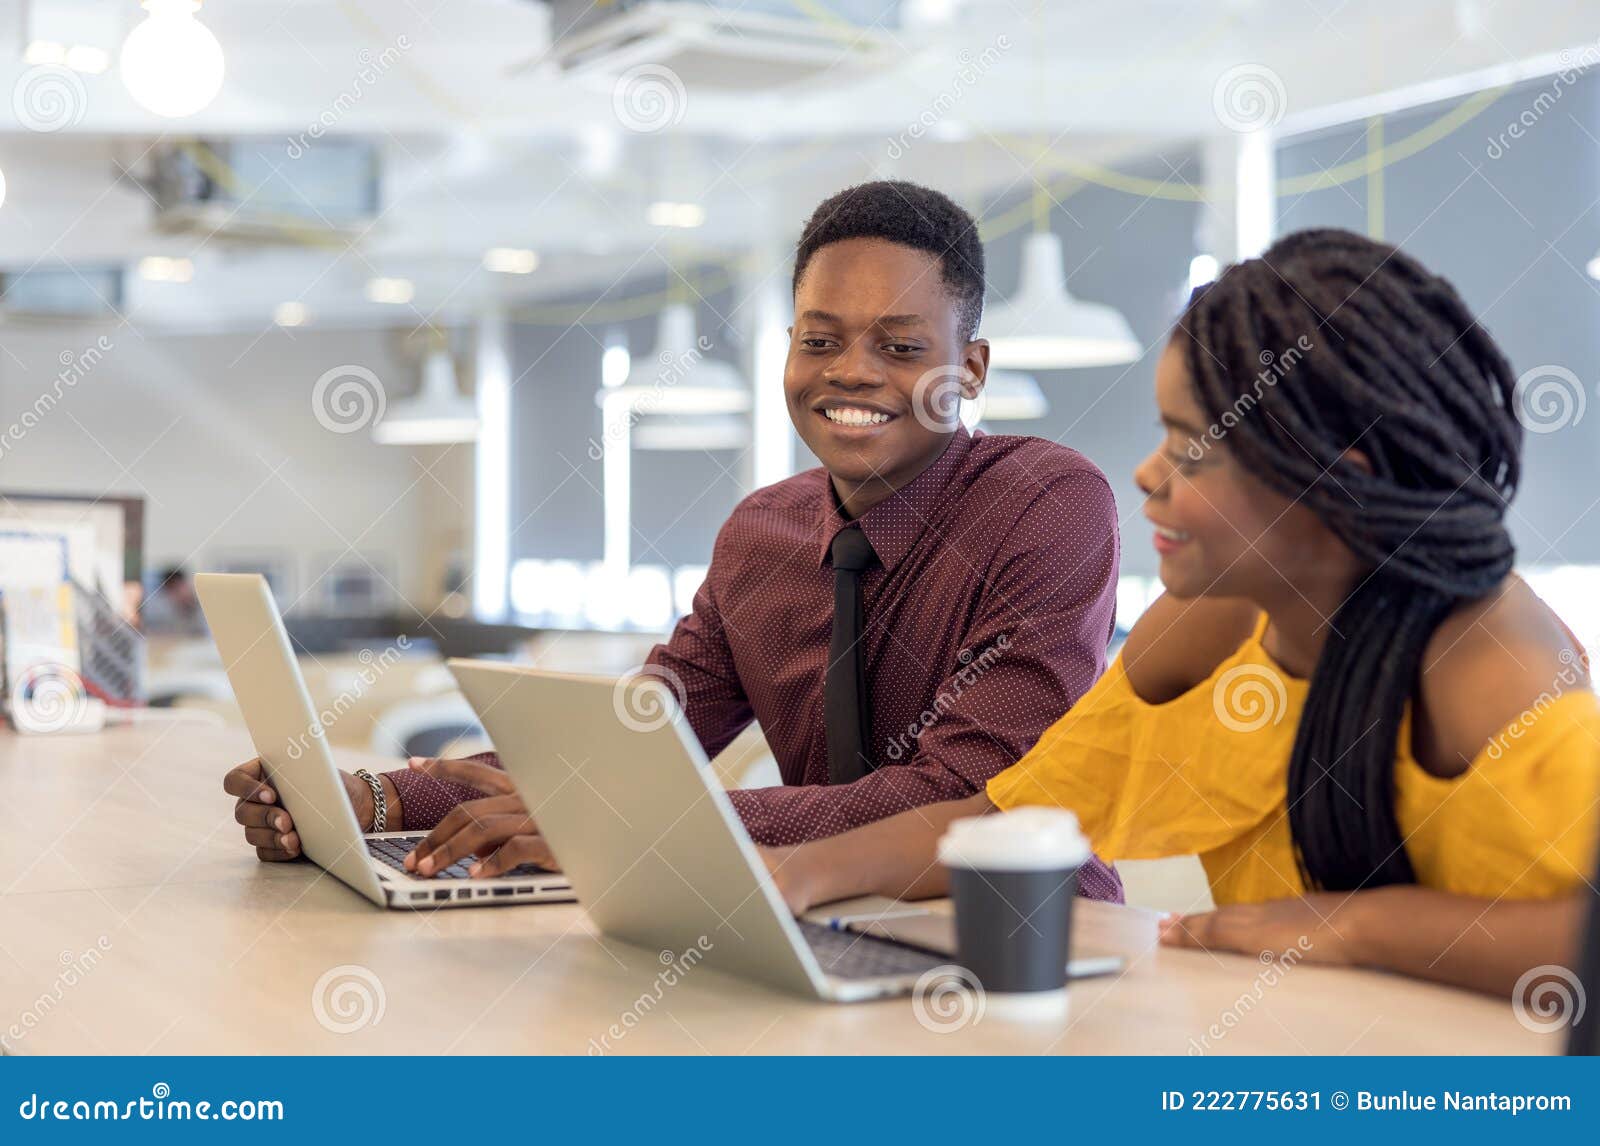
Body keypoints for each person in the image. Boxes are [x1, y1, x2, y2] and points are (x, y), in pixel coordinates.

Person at [223, 180, 1127, 900]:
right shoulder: (762, 535)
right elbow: (639, 736)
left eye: (899, 346)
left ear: (968, 369)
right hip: (804, 919)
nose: (852, 370)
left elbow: (958, 794)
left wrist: (632, 826)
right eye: (822, 339)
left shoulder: (1046, 504)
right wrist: (373, 801)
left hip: (1024, 940)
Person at [760, 228, 1600, 1000]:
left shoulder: (1490, 662)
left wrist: (1351, 926)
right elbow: (1008, 818)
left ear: (1333, 477)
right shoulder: (1214, 627)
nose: (1148, 473)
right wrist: (795, 874)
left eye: (1191, 446)